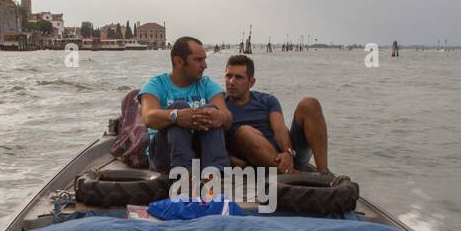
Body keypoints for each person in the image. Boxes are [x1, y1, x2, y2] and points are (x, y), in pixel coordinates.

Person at [139, 36, 232, 175]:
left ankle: (215, 174)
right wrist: (177, 116)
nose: (205, 65)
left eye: (204, 59)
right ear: (179, 61)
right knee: (179, 107)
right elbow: (148, 117)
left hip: (199, 154)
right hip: (165, 156)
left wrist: (219, 116)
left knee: (212, 110)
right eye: (198, 60)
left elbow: (227, 118)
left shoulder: (207, 84)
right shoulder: (156, 84)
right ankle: (185, 176)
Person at [221, 54, 330, 173]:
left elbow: (280, 130)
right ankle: (295, 175)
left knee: (309, 104)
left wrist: (287, 152)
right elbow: (214, 140)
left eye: (238, 77)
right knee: (245, 132)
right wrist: (230, 159)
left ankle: (323, 173)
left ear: (251, 82)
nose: (231, 81)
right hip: (257, 161)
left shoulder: (266, 100)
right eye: (228, 76)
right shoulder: (220, 105)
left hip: (287, 156)